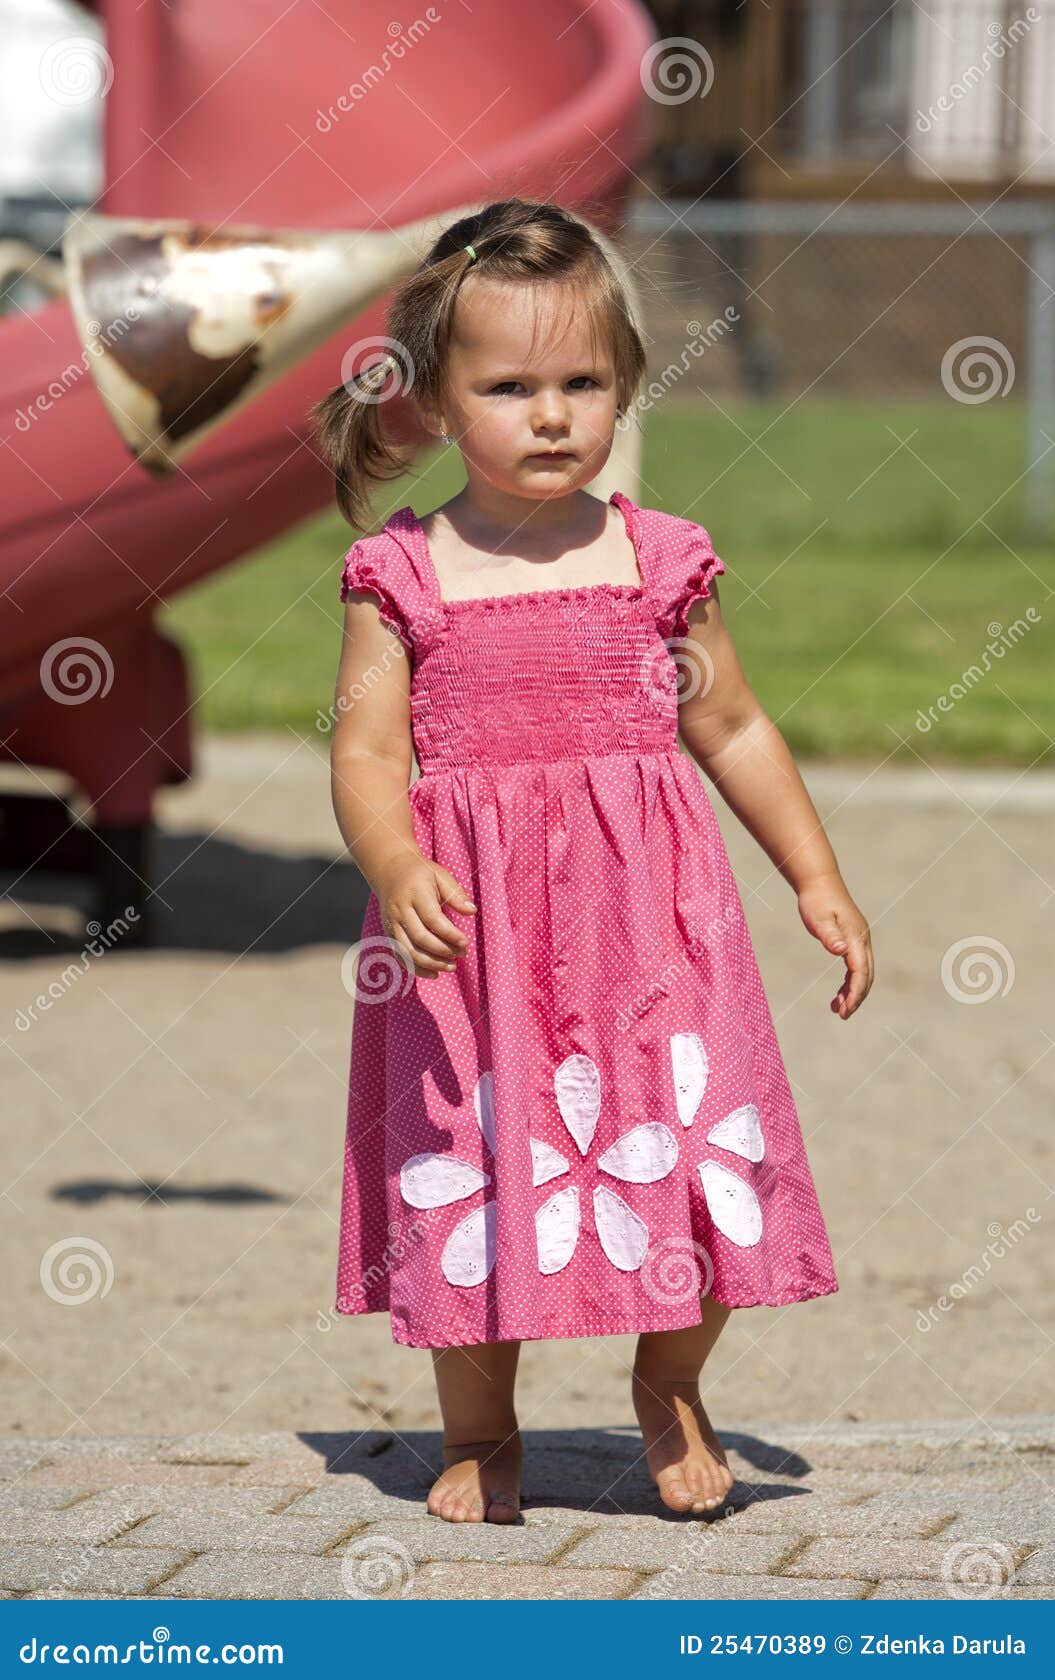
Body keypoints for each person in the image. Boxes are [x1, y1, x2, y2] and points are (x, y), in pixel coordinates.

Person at [310, 197, 874, 1528]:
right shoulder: (405, 571)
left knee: (701, 1150)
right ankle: (482, 1426)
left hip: (654, 927)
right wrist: (395, 865)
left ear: (624, 383)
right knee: (474, 1165)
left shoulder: (659, 556)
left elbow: (730, 723)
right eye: (510, 386)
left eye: (584, 381)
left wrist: (815, 875)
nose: (553, 413)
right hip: (475, 940)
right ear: (439, 403)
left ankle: (670, 1381)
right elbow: (365, 753)